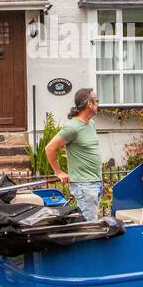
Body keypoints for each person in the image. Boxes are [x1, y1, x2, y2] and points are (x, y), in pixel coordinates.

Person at [46, 87, 103, 220]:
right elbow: (50, 148)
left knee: (92, 223)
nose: (98, 104)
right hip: (84, 185)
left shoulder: (91, 124)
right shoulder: (73, 127)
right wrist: (59, 172)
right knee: (88, 227)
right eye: (97, 101)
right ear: (90, 104)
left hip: (96, 182)